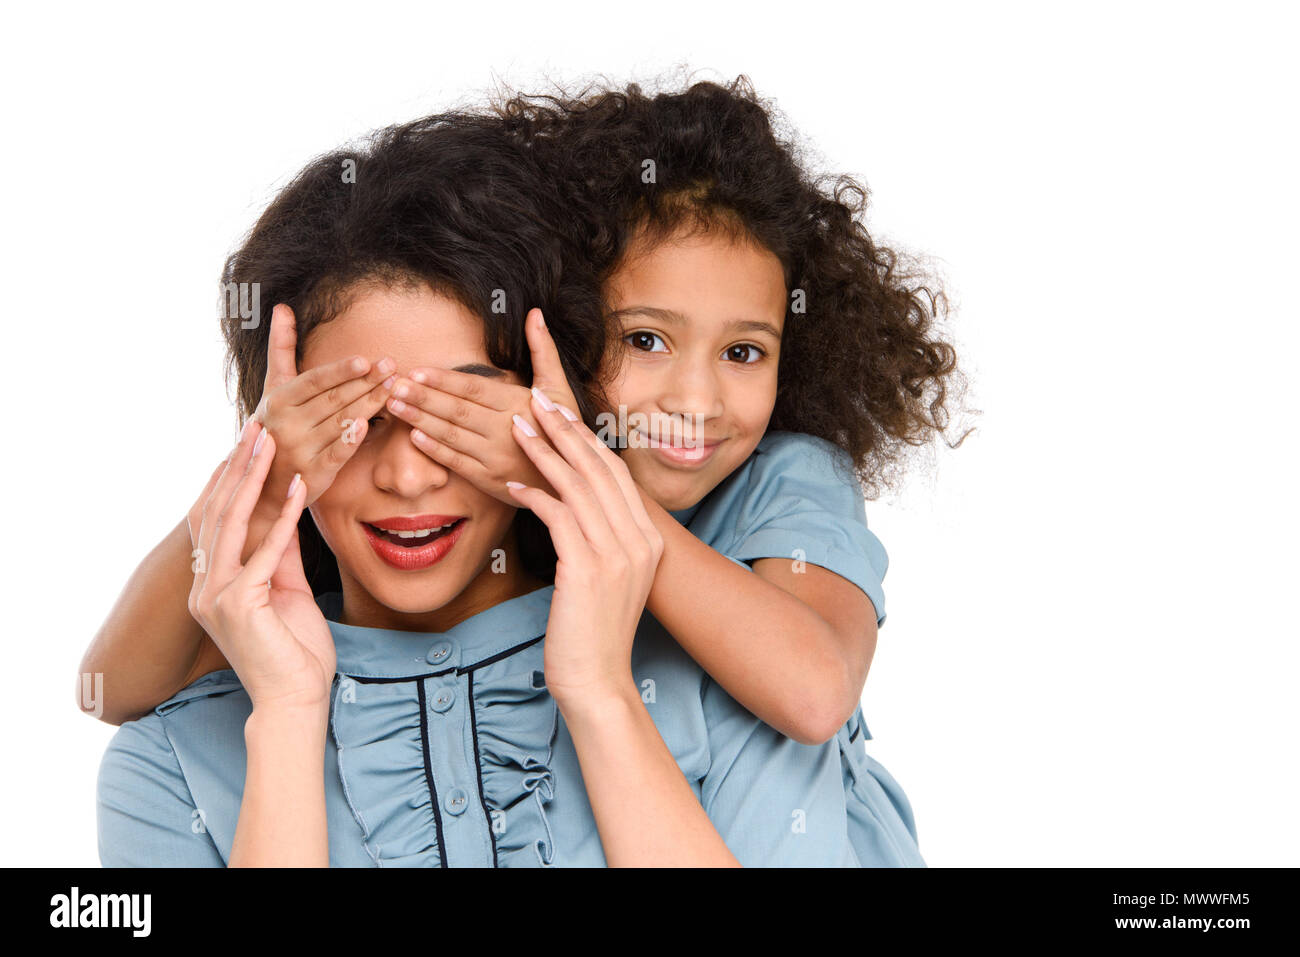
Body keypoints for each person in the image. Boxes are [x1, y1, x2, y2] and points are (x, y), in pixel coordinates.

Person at [95, 109, 912, 866]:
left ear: (558, 401)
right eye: (353, 418)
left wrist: (597, 688)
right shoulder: (174, 762)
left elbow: (811, 691)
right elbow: (110, 682)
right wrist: (284, 712)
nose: (409, 474)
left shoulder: (729, 677)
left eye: (460, 416)